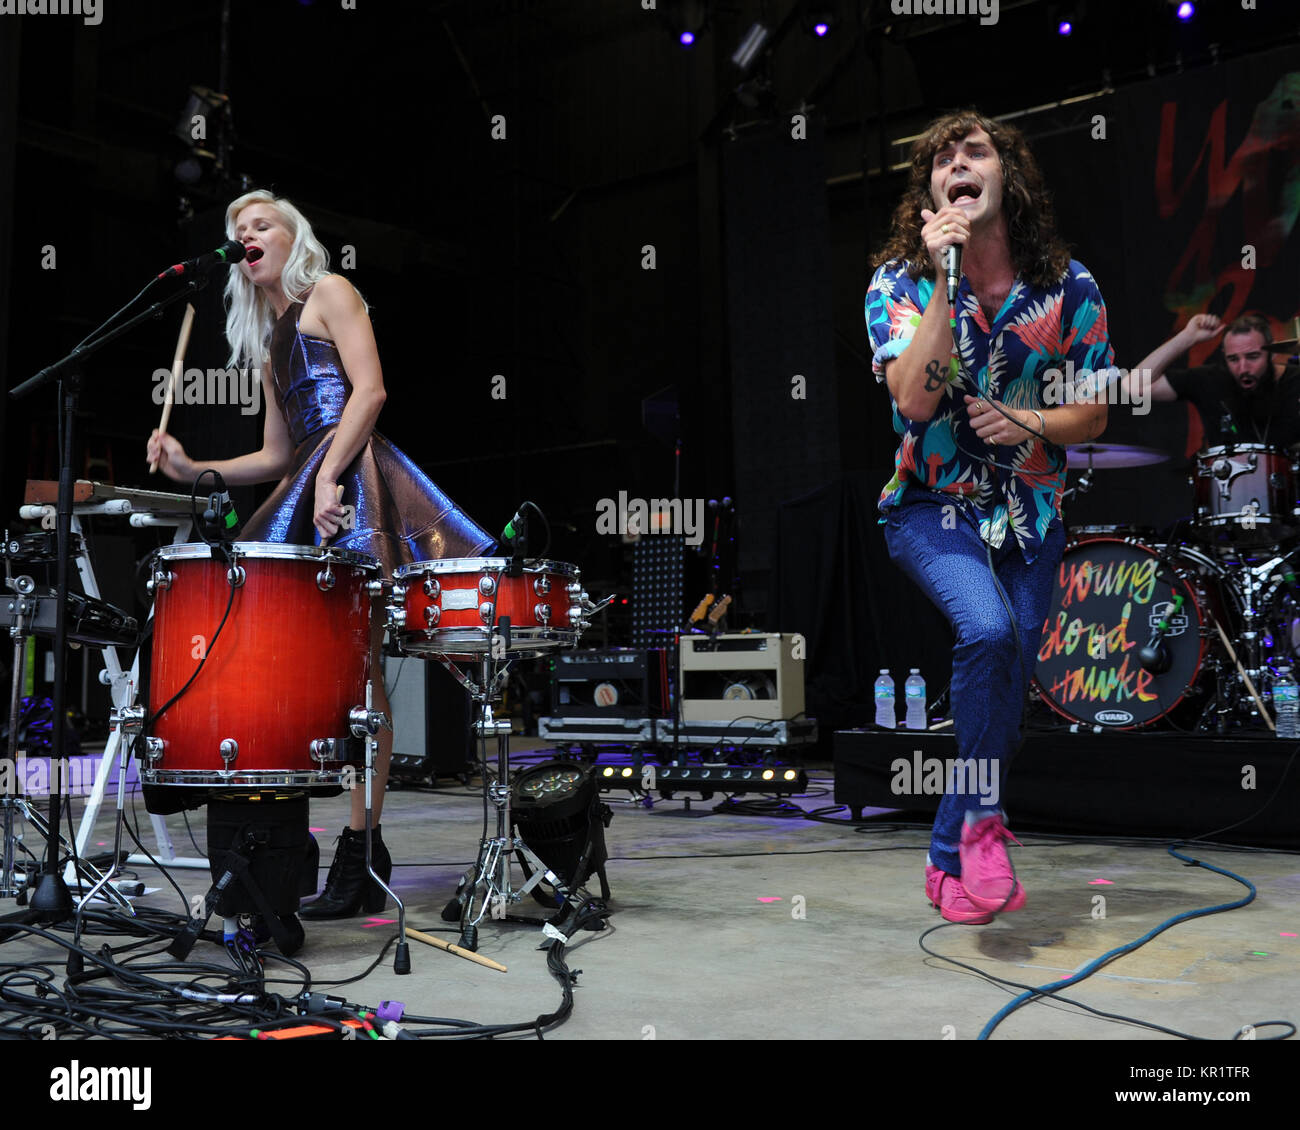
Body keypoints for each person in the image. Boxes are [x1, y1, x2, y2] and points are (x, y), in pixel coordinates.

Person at [147, 189, 493, 919]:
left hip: (353, 466)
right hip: (312, 475)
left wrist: (333, 473)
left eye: (261, 223)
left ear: (292, 236)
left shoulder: (332, 291)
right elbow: (278, 455)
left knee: (362, 667)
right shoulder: (272, 344)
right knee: (301, 655)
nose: (248, 234)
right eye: (239, 229)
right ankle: (285, 839)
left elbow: (370, 392)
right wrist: (189, 470)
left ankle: (362, 850)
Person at [865, 110, 1110, 924]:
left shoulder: (1070, 289)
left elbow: (1094, 415)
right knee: (989, 632)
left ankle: (952, 845)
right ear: (930, 192)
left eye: (975, 152)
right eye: (941, 159)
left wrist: (1030, 420)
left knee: (1008, 684)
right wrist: (945, 273)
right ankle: (980, 821)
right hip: (932, 509)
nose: (957, 165)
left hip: (1031, 515)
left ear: (1009, 175)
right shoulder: (899, 286)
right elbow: (913, 395)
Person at [1123, 312, 1300, 449]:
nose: (1243, 368)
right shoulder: (1210, 379)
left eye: (1253, 357)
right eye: (1233, 359)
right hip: (1228, 491)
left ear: (1273, 353)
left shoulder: (1295, 379)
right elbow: (1132, 386)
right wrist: (1187, 337)